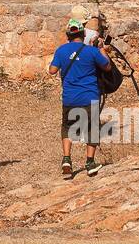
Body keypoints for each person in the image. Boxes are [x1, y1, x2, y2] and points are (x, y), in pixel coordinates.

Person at [48, 19, 113, 179]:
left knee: (67, 127)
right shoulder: (91, 51)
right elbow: (107, 66)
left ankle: (66, 159)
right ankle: (90, 163)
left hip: (69, 97)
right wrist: (101, 49)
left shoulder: (61, 50)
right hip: (89, 96)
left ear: (68, 35)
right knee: (92, 128)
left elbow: (52, 70)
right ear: (83, 34)